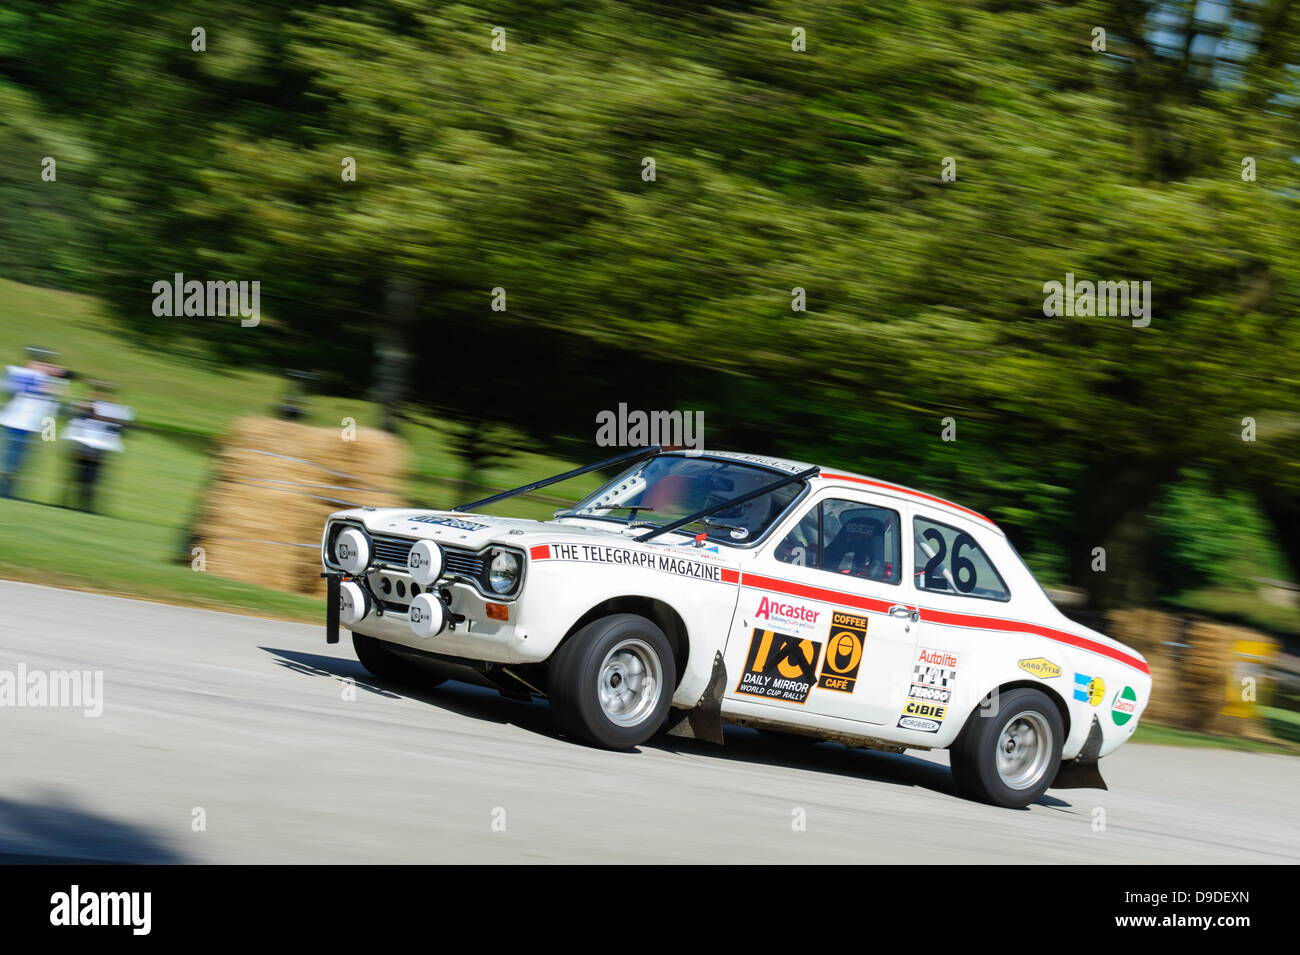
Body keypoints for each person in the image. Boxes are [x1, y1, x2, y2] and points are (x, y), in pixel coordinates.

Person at [0, 350, 70, 499]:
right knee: (6, 461)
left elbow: (51, 409)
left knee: (18, 464)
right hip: (12, 424)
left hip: (31, 428)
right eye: (40, 364)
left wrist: (48, 432)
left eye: (46, 365)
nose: (44, 367)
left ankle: (8, 493)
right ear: (29, 363)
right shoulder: (18, 372)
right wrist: (43, 386)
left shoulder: (49, 381)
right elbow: (11, 387)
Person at [63, 381, 132, 512]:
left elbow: (121, 430)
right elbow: (70, 417)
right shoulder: (84, 406)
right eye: (98, 393)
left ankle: (86, 507)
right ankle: (70, 504)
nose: (101, 396)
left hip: (99, 450)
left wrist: (116, 421)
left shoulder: (115, 411)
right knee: (76, 478)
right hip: (82, 446)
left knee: (92, 480)